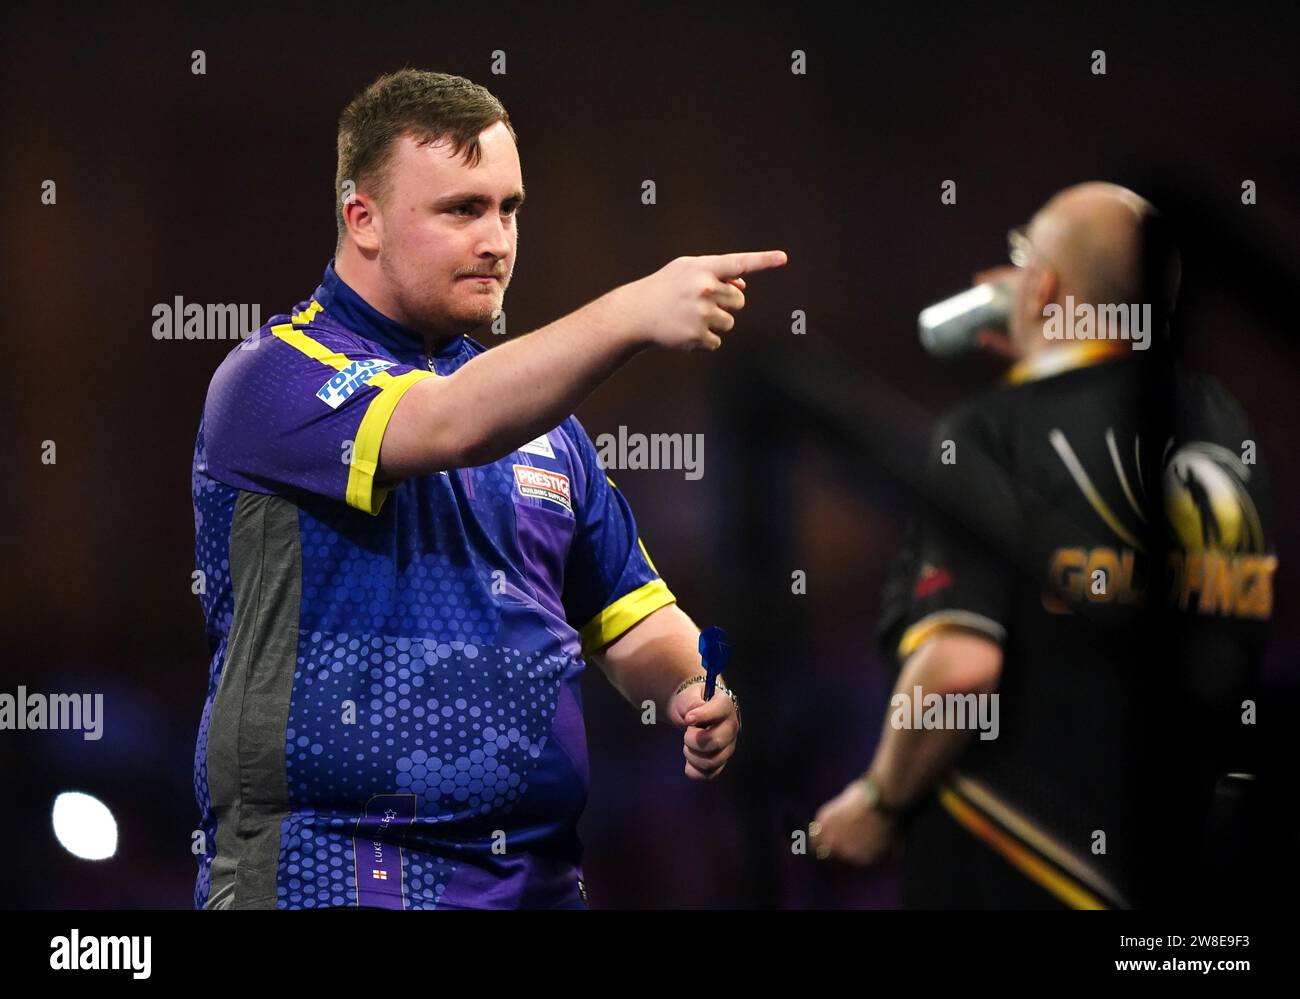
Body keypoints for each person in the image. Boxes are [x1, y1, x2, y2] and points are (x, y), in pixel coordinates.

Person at [190, 68, 783, 909]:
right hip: (330, 875)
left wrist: (690, 686)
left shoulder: (542, 422)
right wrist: (631, 313)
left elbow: (629, 609)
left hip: (538, 883)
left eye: (510, 208)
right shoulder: (271, 376)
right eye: (463, 209)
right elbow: (444, 424)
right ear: (362, 217)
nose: (498, 239)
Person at [809, 182, 1274, 908]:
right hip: (1192, 876)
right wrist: (1042, 342)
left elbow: (959, 672)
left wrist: (880, 800)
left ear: (1045, 284)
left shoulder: (990, 430)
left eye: (1023, 255)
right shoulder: (1225, 427)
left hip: (1023, 867)